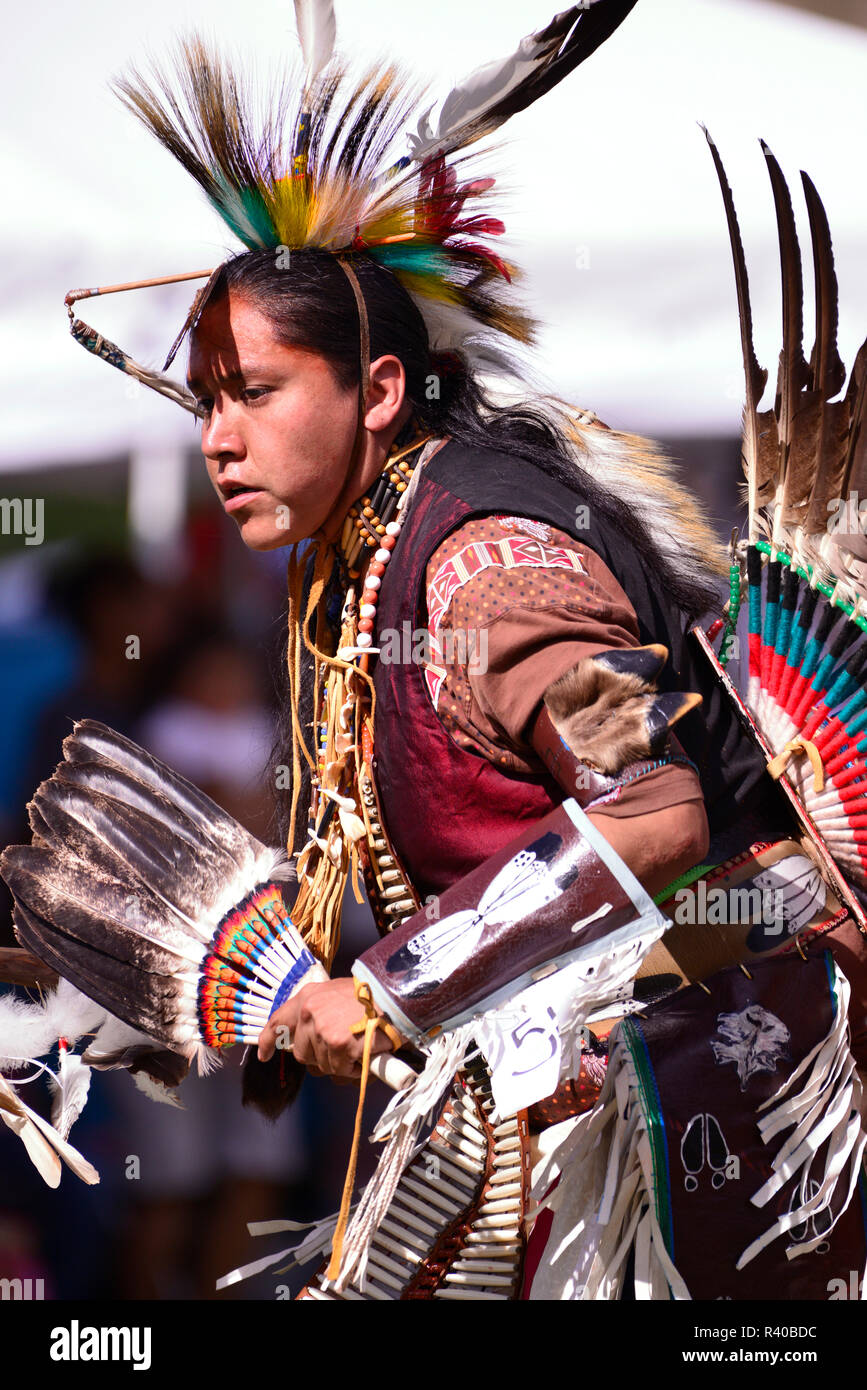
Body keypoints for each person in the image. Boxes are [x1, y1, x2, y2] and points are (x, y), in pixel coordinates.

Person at [6, 2, 866, 1300]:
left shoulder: (491, 565)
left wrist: (395, 983)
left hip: (698, 1115)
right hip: (546, 1109)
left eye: (254, 391)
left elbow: (655, 810)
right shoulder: (368, 558)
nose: (218, 440)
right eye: (205, 402)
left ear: (383, 392)